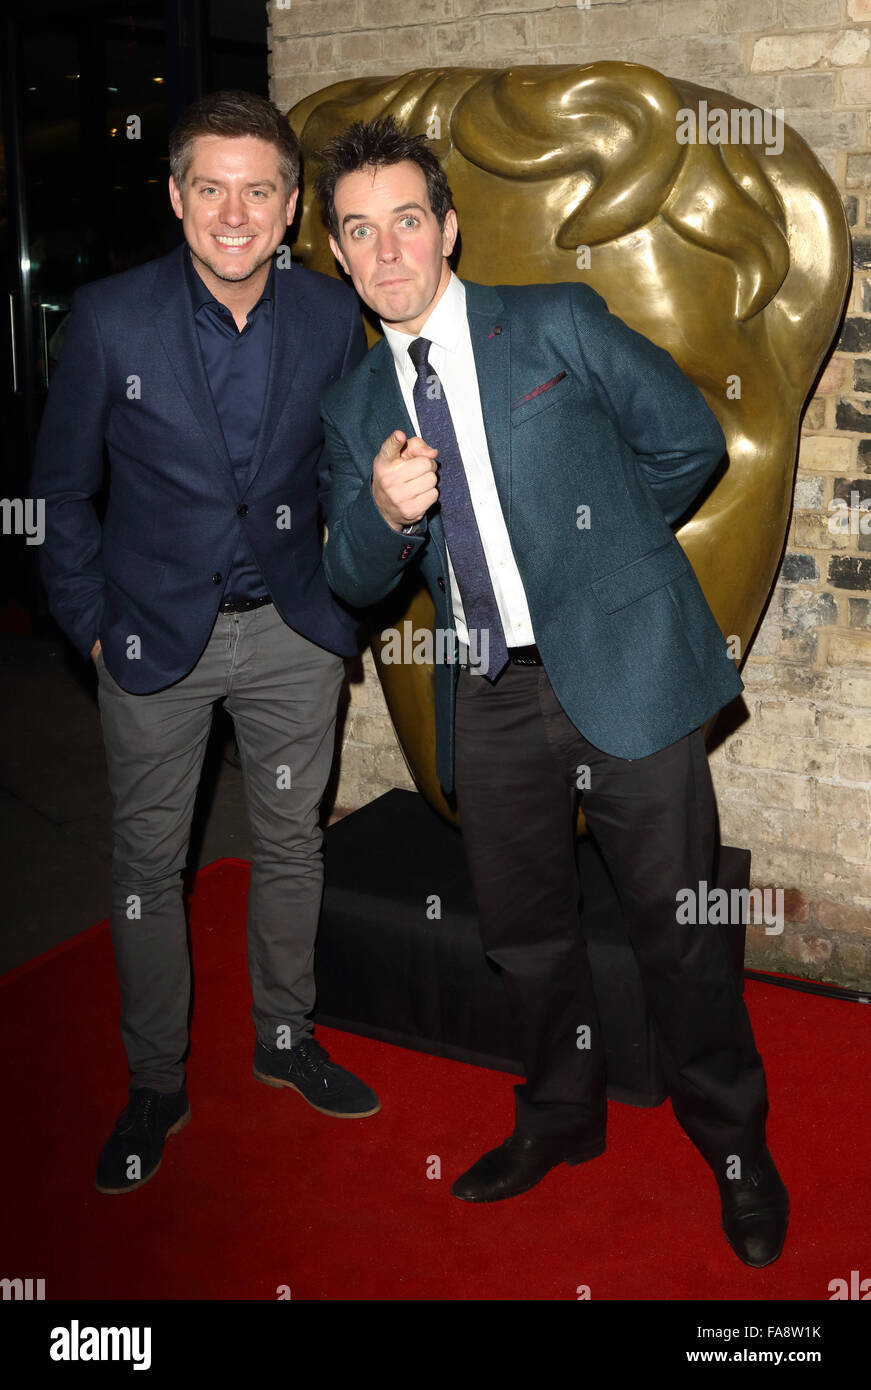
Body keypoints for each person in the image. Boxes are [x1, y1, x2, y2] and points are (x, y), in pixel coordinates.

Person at [314, 116, 789, 1267]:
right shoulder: (351, 407)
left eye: (406, 221)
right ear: (335, 252)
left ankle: (732, 1144)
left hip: (621, 672)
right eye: (358, 230)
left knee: (678, 930)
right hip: (491, 695)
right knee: (526, 937)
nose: (387, 252)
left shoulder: (552, 320)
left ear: (449, 229)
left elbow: (687, 441)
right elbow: (345, 574)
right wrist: (381, 514)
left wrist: (611, 568)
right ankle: (561, 1116)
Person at [32, 90, 378, 1196]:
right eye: (212, 187)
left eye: (260, 190)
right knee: (147, 870)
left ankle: (284, 1037)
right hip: (149, 643)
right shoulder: (109, 319)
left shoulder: (330, 317)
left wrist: (341, 597)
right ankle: (154, 1081)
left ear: (290, 213)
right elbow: (56, 493)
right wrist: (89, 624)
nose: (236, 213)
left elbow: (343, 466)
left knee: (292, 847)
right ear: (177, 196)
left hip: (290, 632)